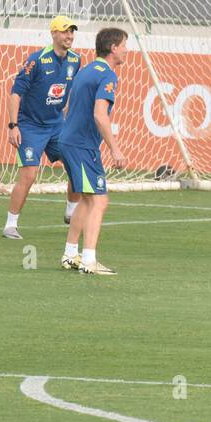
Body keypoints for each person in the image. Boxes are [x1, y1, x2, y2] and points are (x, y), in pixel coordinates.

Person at [2, 15, 83, 239]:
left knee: (77, 163)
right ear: (54, 34)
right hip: (30, 126)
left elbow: (73, 90)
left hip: (57, 124)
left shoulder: (76, 60)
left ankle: (71, 211)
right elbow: (15, 93)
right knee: (29, 174)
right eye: (65, 31)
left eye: (72, 31)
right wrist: (13, 125)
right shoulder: (36, 60)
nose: (70, 36)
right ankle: (10, 224)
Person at [59, 27, 129, 276]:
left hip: (68, 141)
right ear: (113, 48)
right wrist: (115, 149)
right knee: (100, 200)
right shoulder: (108, 76)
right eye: (124, 45)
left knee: (87, 200)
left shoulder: (86, 70)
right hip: (82, 145)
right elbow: (100, 115)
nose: (126, 50)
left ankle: (70, 254)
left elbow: (67, 108)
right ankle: (89, 259)